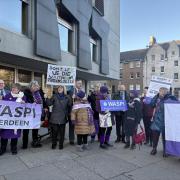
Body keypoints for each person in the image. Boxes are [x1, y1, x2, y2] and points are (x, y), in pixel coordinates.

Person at [150, 87, 177, 157]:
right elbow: (151, 104)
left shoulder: (170, 98)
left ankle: (165, 150)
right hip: (157, 121)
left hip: (166, 121)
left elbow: (176, 105)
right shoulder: (157, 98)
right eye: (160, 91)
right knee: (155, 136)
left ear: (166, 92)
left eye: (162, 91)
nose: (161, 93)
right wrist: (156, 96)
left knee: (165, 137)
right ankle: (154, 148)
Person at [0, 83, 26, 155]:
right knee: (4, 135)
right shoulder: (7, 96)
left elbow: (26, 107)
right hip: (7, 119)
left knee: (15, 135)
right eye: (13, 88)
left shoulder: (22, 96)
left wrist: (24, 103)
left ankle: (13, 148)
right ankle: (2, 148)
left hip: (16, 120)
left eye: (15, 88)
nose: (14, 89)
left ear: (18, 90)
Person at [22, 81, 47, 149]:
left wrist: (45, 107)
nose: (36, 87)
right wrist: (31, 103)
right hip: (28, 114)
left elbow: (43, 101)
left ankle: (35, 142)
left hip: (37, 114)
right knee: (26, 129)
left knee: (35, 128)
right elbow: (24, 102)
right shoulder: (26, 93)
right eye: (34, 86)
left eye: (36, 86)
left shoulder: (40, 93)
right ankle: (25, 144)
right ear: (30, 87)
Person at [45, 85, 72, 150]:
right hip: (55, 116)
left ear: (64, 89)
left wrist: (72, 99)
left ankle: (61, 144)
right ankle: (54, 144)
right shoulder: (54, 96)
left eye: (61, 88)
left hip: (63, 116)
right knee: (54, 132)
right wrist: (47, 98)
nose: (60, 89)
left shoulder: (67, 97)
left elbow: (70, 105)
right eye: (59, 88)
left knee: (62, 132)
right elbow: (49, 104)